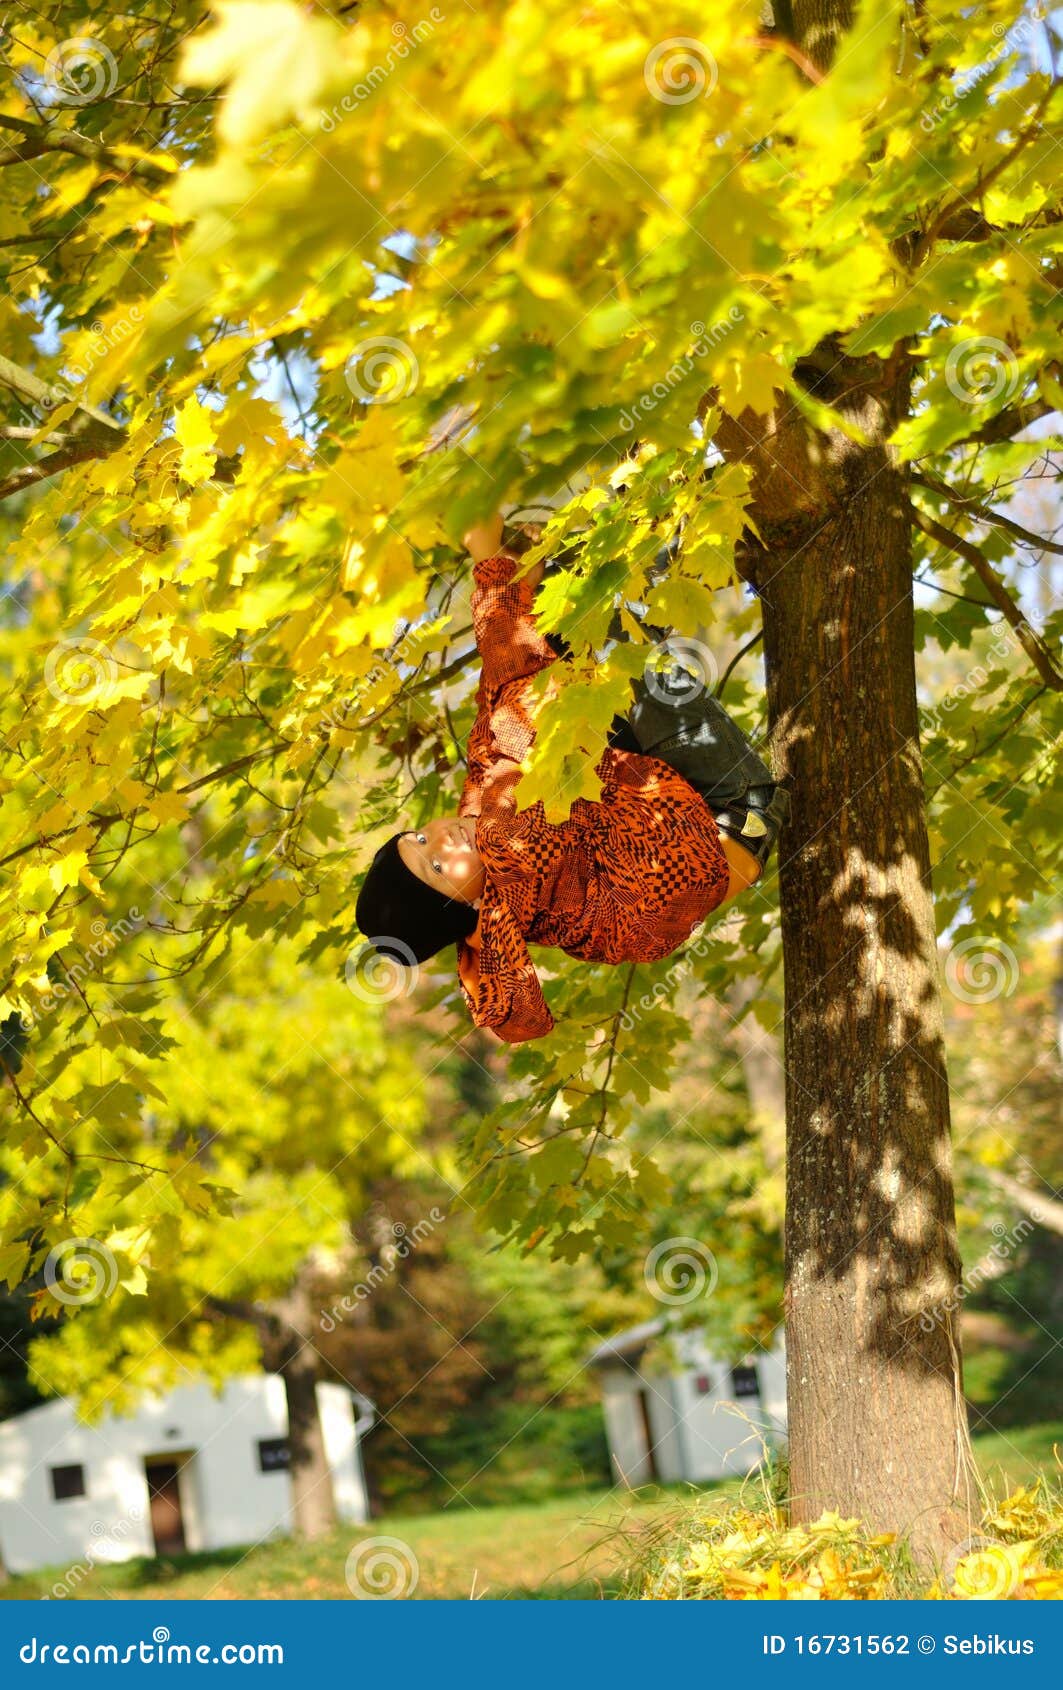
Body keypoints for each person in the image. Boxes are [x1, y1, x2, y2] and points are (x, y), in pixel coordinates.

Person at [354, 512, 790, 1043]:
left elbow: (502, 694)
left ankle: (689, 518)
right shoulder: (510, 858)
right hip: (727, 815)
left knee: (560, 605)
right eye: (438, 867)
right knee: (590, 619)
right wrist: (493, 571)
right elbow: (528, 706)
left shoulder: (483, 817)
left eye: (419, 839)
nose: (441, 839)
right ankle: (716, 523)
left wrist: (501, 574)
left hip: (656, 806)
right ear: (469, 909)